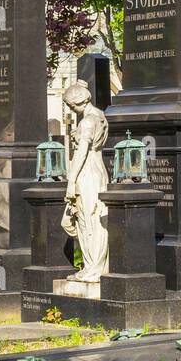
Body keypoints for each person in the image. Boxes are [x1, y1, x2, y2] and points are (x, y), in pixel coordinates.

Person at [61, 80, 110, 281]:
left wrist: (71, 181)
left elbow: (81, 153)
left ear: (77, 102)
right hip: (98, 170)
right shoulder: (101, 116)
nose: (70, 109)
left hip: (87, 173)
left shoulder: (88, 121)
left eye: (71, 105)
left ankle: (93, 270)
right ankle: (92, 267)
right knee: (88, 221)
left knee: (89, 222)